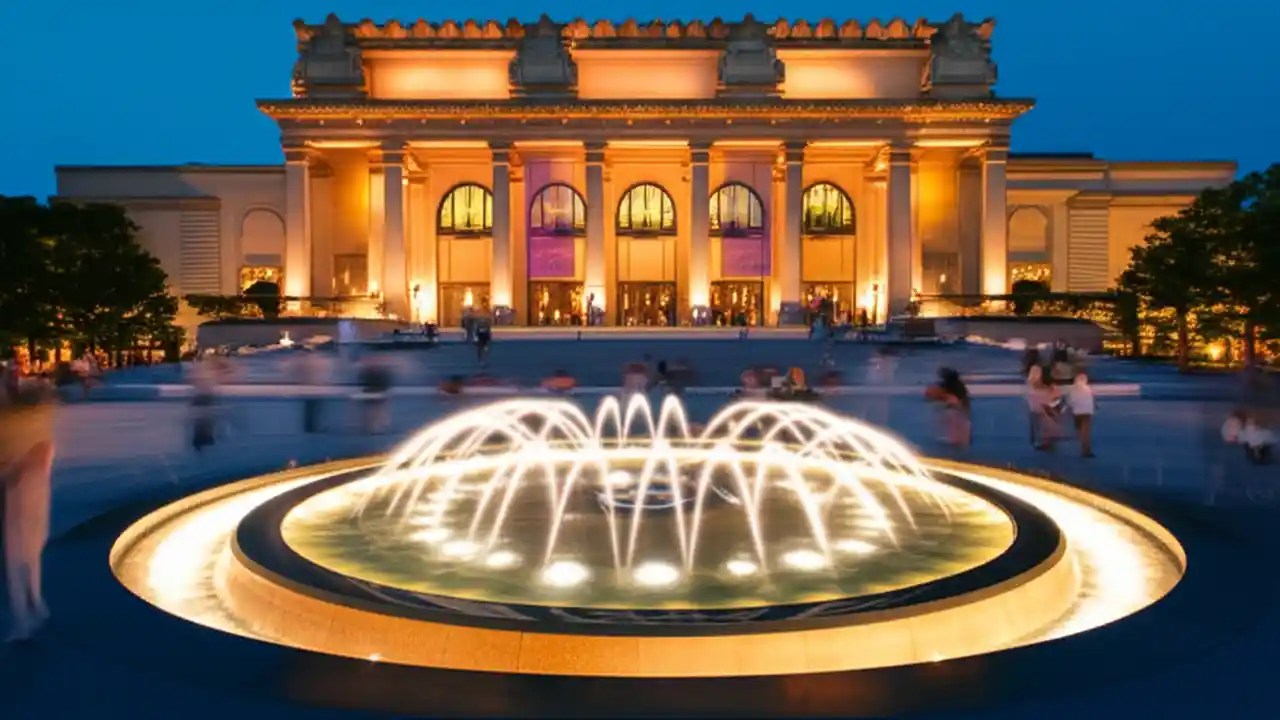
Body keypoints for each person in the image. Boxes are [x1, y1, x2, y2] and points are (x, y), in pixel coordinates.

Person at [2, 377, 56, 641]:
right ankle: (36, 603)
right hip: (37, 499)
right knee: (31, 555)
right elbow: (44, 457)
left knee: (15, 560)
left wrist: (9, 469)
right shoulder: (39, 429)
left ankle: (24, 619)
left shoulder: (11, 428)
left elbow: (11, 469)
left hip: (19, 500)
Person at [926, 367, 972, 449]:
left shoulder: (945, 389)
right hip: (957, 410)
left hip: (952, 410)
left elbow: (930, 397)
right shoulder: (959, 388)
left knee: (954, 435)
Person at [1027, 365, 1061, 451]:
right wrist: (1050, 390)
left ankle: (1040, 441)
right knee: (1043, 425)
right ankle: (1043, 442)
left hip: (1035, 406)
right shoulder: (1036, 383)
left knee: (1037, 425)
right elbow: (1041, 391)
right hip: (1040, 406)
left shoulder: (1030, 382)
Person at [1068, 373, 1096, 458]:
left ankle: (1083, 446)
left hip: (1077, 412)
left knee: (1079, 430)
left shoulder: (1073, 389)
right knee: (1086, 432)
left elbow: (1071, 401)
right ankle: (1086, 450)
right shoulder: (1088, 389)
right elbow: (1091, 401)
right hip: (1087, 412)